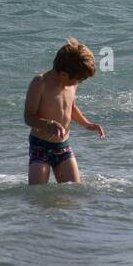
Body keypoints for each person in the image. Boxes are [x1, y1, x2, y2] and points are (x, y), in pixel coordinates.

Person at [22, 38, 105, 184]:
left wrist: (87, 124)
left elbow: (71, 107)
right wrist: (49, 124)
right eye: (78, 80)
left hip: (63, 146)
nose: (79, 83)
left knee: (73, 191)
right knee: (38, 194)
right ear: (64, 74)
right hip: (40, 146)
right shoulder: (40, 83)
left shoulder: (71, 84)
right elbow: (28, 117)